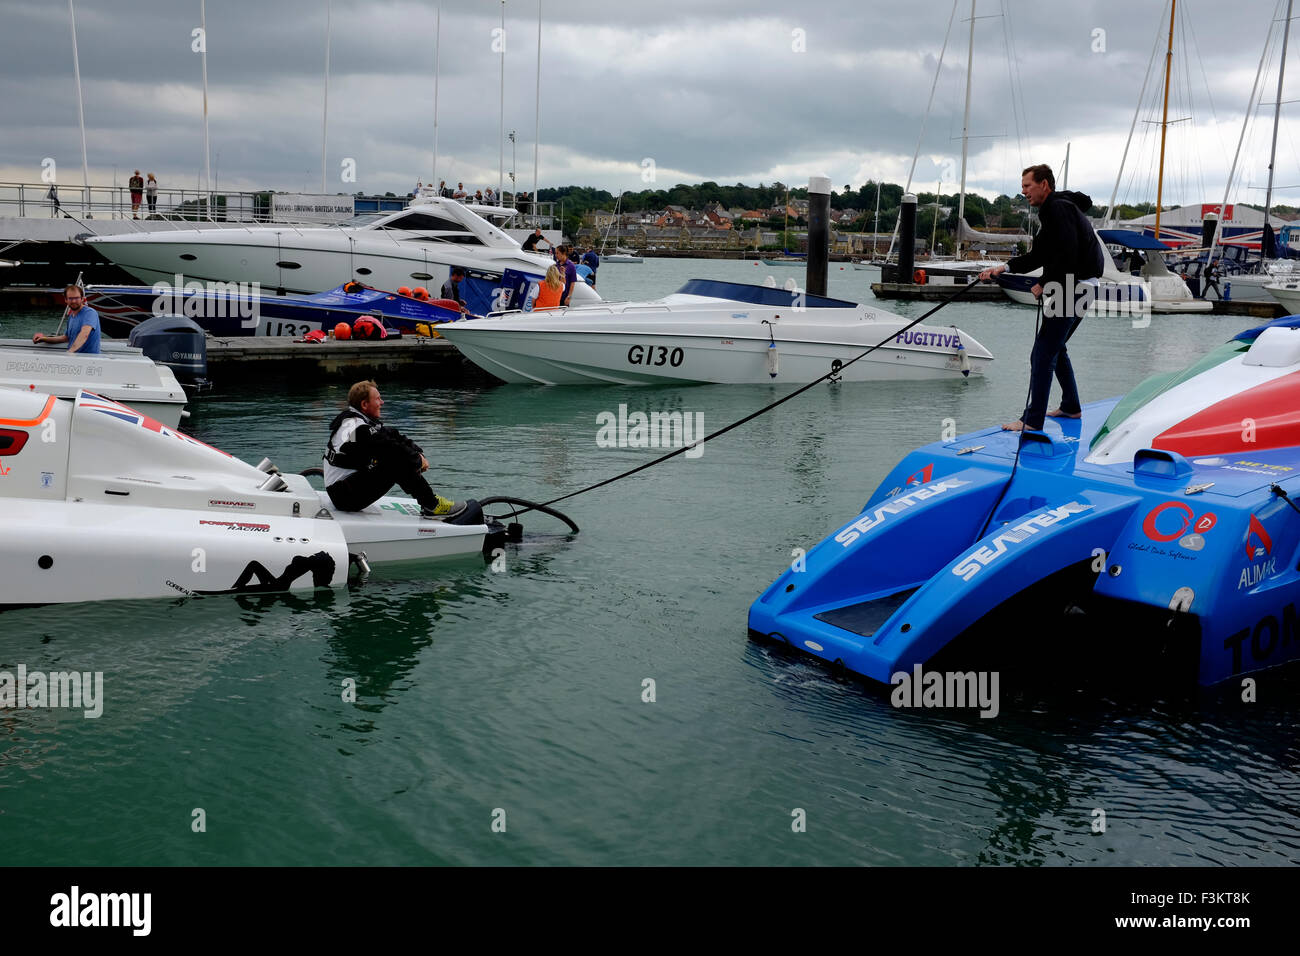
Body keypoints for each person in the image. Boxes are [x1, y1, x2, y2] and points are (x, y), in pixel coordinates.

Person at [978, 164, 1104, 432]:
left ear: (1044, 184)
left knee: (1043, 353)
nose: (1023, 191)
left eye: (1027, 186)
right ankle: (1071, 406)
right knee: (1056, 347)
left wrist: (1044, 282)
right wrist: (1004, 268)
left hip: (1074, 285)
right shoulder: (1058, 209)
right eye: (1022, 186)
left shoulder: (1056, 209)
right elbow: (1040, 255)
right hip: (1083, 284)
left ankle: (1032, 421)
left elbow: (1067, 254)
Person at [324, 380, 466, 518]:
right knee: (395, 461)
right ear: (365, 404)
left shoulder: (353, 420)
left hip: (342, 489)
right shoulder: (360, 429)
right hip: (344, 497)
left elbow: (390, 435)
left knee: (394, 448)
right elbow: (392, 450)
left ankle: (429, 503)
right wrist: (417, 461)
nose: (382, 402)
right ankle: (432, 505)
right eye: (378, 399)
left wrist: (417, 452)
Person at [33, 284, 100, 354]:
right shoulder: (71, 316)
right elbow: (66, 338)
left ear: (82, 299)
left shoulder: (89, 313)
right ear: (66, 300)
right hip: (74, 358)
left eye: (76, 298)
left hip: (89, 359)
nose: (73, 301)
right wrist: (43, 339)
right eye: (70, 298)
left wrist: (70, 352)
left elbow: (84, 334)